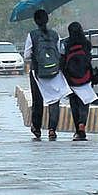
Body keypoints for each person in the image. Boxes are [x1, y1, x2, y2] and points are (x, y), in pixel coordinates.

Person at [24, 9, 71, 141]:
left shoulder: (32, 35)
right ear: (47, 20)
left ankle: (37, 128)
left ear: (35, 21)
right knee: (54, 100)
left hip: (38, 72)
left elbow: (27, 55)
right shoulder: (55, 34)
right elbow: (61, 52)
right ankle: (52, 129)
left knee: (37, 100)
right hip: (54, 71)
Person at [60, 21, 98, 141]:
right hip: (85, 77)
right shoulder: (86, 44)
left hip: (71, 78)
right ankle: (82, 125)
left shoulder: (66, 44)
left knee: (74, 103)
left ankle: (77, 129)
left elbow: (62, 60)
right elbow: (88, 59)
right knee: (84, 102)